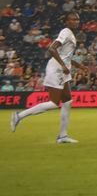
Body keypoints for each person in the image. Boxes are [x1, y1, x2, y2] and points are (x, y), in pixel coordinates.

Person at [9, 11, 80, 143]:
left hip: (63, 70)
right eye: (72, 19)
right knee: (54, 103)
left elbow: (66, 56)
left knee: (67, 102)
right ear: (66, 21)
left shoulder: (70, 33)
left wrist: (79, 65)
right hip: (57, 70)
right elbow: (51, 49)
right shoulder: (65, 32)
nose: (76, 21)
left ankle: (63, 136)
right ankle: (19, 116)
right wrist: (63, 66)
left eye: (77, 19)